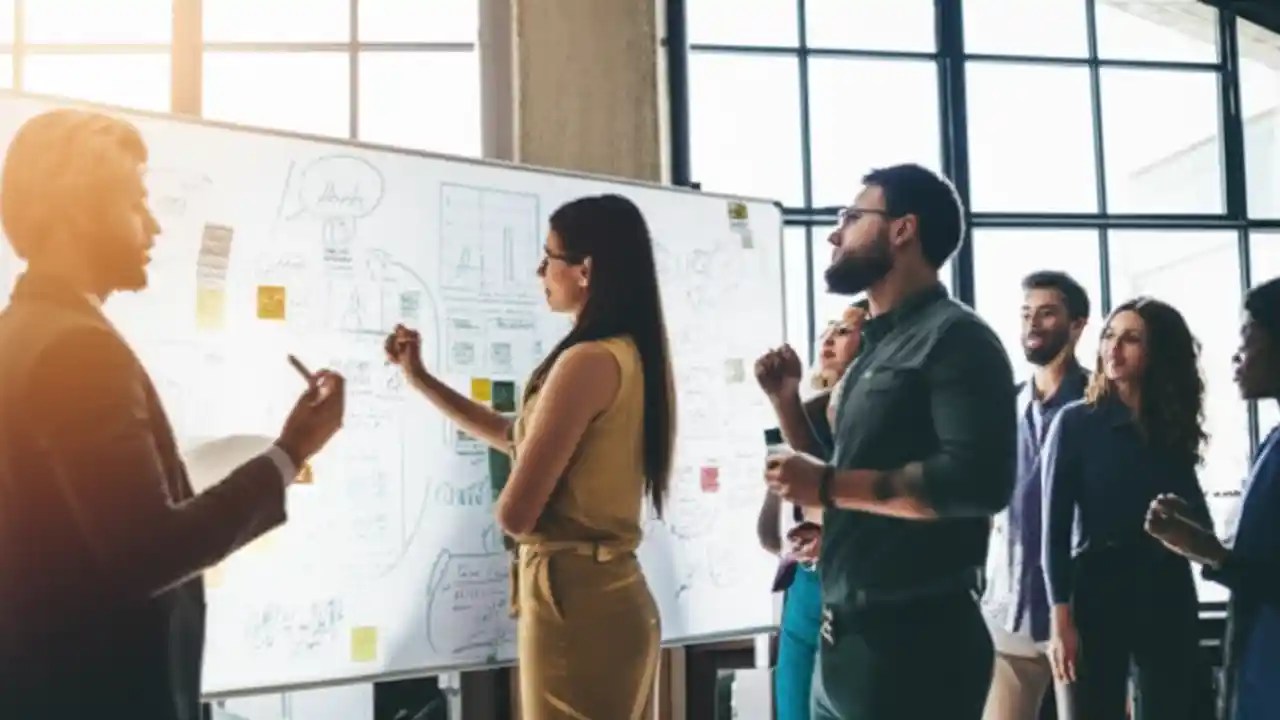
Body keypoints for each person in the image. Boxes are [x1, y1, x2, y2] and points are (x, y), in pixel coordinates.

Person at [0, 110, 346, 720]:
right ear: (77, 208)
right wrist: (291, 452)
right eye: (135, 202)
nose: (154, 225)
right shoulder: (80, 350)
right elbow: (146, 552)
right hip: (97, 693)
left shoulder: (21, 333)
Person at [385, 194, 674, 720]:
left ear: (584, 270)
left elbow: (516, 514)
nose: (541, 269)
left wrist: (516, 486)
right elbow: (515, 433)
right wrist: (420, 378)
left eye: (549, 256)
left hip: (575, 607)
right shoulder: (626, 353)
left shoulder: (585, 361)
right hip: (606, 600)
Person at [764, 163, 1017, 720]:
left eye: (853, 218)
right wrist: (833, 521)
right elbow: (848, 479)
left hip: (916, 644)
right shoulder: (871, 353)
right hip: (841, 636)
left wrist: (828, 486)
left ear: (902, 229)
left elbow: (978, 481)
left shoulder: (958, 339)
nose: (835, 234)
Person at [1041, 297, 1215, 720]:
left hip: (1166, 585)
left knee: (1175, 709)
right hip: (1097, 586)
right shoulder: (1076, 423)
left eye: (1131, 339)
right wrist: (1060, 618)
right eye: (1109, 336)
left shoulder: (1172, 424)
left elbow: (1199, 522)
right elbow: (1054, 530)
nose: (1113, 349)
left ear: (1157, 352)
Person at [1145, 277, 1280, 720]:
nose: (1237, 356)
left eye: (1248, 338)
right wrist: (1201, 542)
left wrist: (1208, 552)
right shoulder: (1271, 446)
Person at [982, 271, 1090, 720]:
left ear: (1077, 325)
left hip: (1078, 611)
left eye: (1047, 313)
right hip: (1009, 607)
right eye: (1027, 314)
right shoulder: (1007, 406)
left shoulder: (1098, 404)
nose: (1033, 324)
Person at [755, 302, 867, 720]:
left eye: (846, 330)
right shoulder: (801, 416)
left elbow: (833, 501)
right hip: (802, 598)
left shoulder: (879, 424)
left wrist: (785, 405)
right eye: (829, 328)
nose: (830, 338)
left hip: (854, 600)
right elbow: (769, 533)